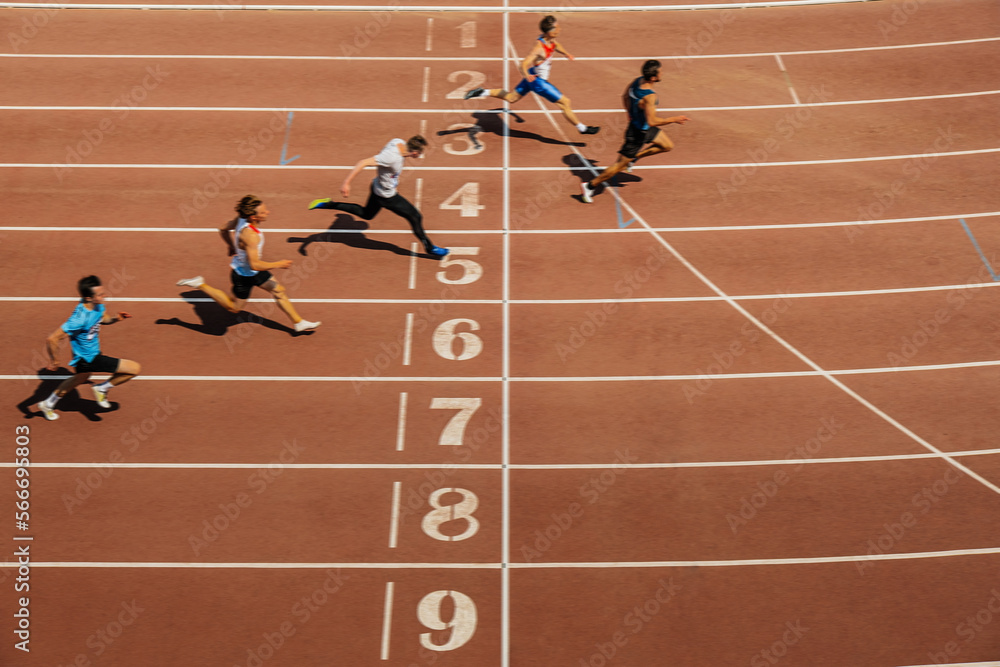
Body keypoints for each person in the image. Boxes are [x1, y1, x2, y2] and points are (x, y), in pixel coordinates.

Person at [176, 195, 321, 333]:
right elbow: (255, 265)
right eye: (264, 212)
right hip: (243, 275)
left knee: (279, 291)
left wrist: (231, 245)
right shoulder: (251, 236)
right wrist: (279, 264)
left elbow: (223, 228)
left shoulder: (241, 219)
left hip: (253, 271)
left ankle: (298, 323)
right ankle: (200, 284)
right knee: (234, 308)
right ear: (254, 217)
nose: (268, 212)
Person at [308, 135, 449, 257]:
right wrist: (346, 183)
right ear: (414, 152)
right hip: (387, 197)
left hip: (376, 187)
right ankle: (430, 248)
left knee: (367, 214)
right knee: (415, 216)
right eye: (420, 153)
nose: (420, 155)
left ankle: (328, 204)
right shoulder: (391, 157)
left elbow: (379, 155)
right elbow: (363, 162)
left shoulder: (397, 141)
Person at [463, 15, 599, 136]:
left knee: (511, 98)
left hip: (533, 76)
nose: (560, 29)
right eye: (557, 28)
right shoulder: (538, 48)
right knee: (565, 103)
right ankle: (582, 128)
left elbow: (556, 45)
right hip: (538, 82)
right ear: (550, 32)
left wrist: (566, 53)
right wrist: (526, 74)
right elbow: (523, 64)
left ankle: (482, 92)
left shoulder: (550, 40)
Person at [581, 60, 690, 203]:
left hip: (643, 128)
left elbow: (625, 96)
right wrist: (674, 119)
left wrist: (629, 113)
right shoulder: (650, 96)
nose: (662, 73)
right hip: (637, 134)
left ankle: (635, 158)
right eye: (660, 72)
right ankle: (590, 186)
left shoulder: (637, 81)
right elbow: (653, 121)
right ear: (653, 78)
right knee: (618, 166)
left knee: (667, 145)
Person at [36, 275, 140, 420]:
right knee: (134, 369)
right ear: (89, 298)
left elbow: (102, 318)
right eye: (100, 295)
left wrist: (116, 318)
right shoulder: (79, 319)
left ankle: (48, 403)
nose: (105, 296)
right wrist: (54, 361)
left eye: (103, 292)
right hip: (89, 358)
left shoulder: (97, 305)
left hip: (85, 356)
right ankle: (101, 388)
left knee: (81, 377)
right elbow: (52, 338)